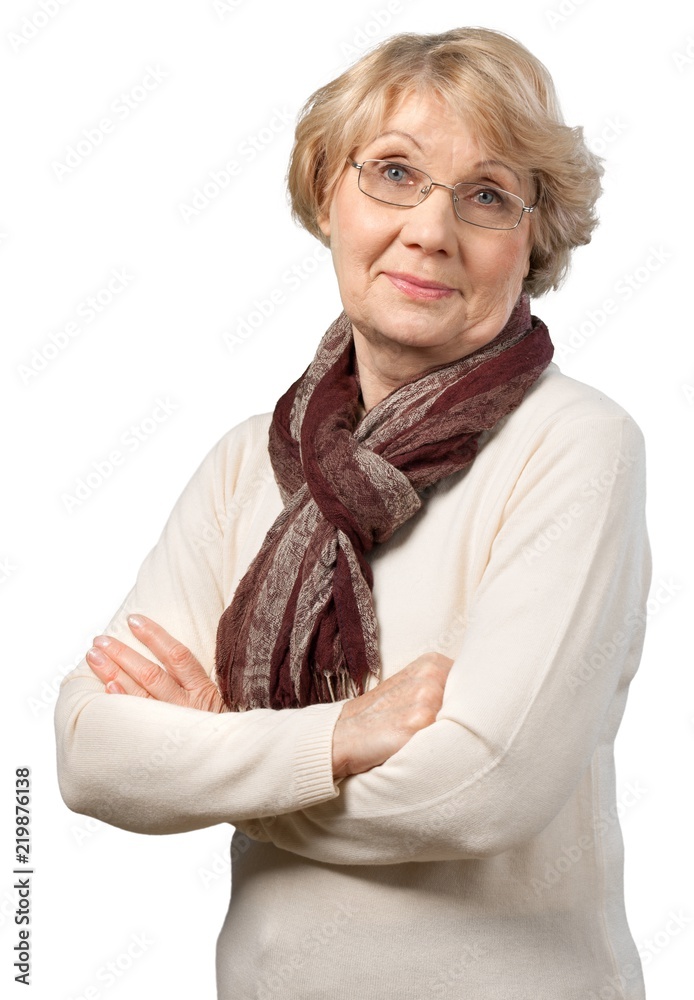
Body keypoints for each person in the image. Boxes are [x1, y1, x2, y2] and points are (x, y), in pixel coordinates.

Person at [55, 26, 650, 1000]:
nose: (429, 228)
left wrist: (219, 754)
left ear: (533, 240)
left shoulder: (577, 444)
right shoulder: (247, 462)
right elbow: (89, 751)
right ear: (327, 189)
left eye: (487, 195)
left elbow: (479, 787)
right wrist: (330, 740)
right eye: (393, 173)